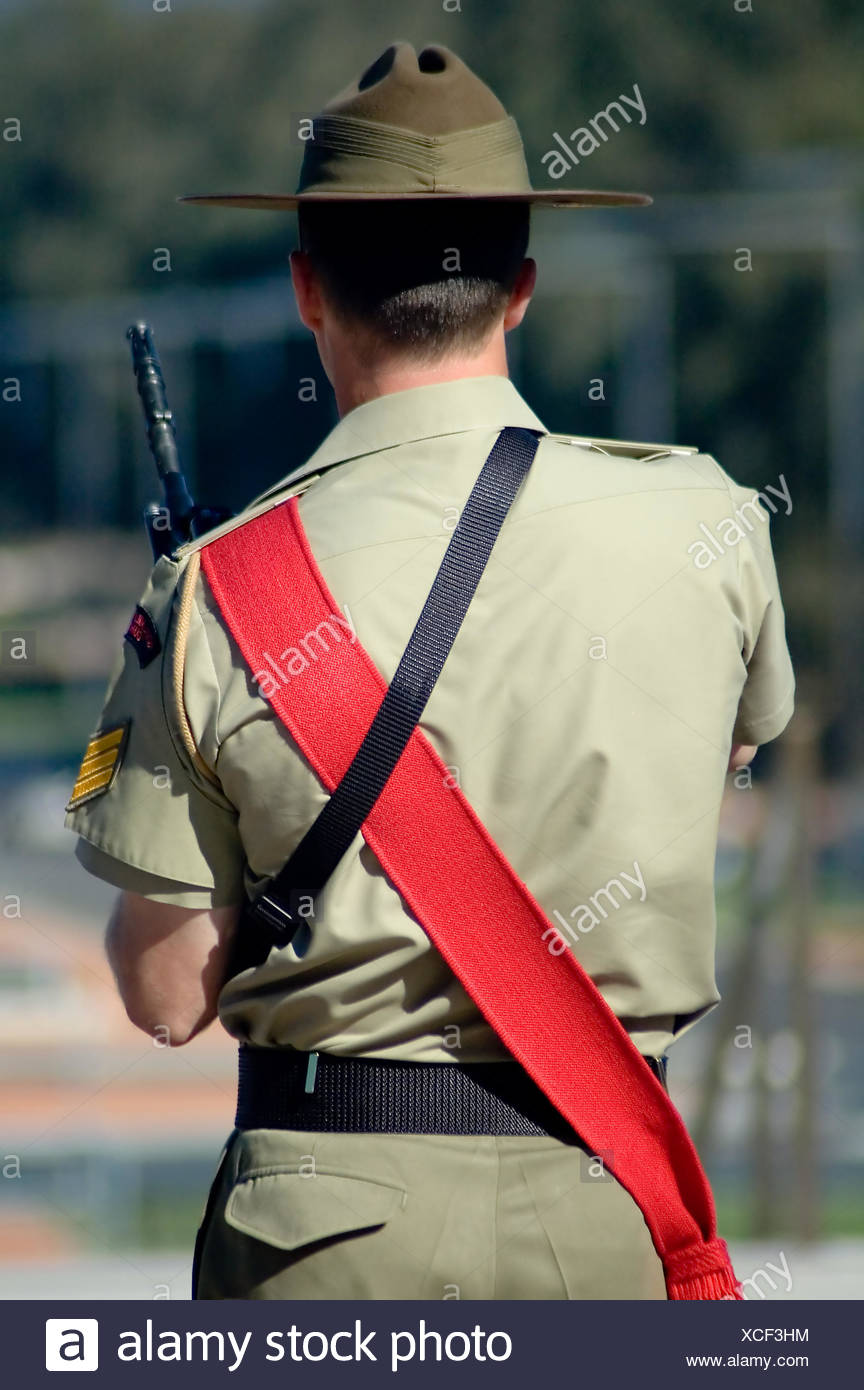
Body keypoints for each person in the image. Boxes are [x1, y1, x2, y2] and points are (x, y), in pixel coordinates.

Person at [65, 42, 795, 1301]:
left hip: (323, 1245)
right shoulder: (707, 522)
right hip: (610, 1209)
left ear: (306, 290)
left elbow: (168, 994)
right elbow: (731, 749)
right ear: (519, 290)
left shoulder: (219, 591)